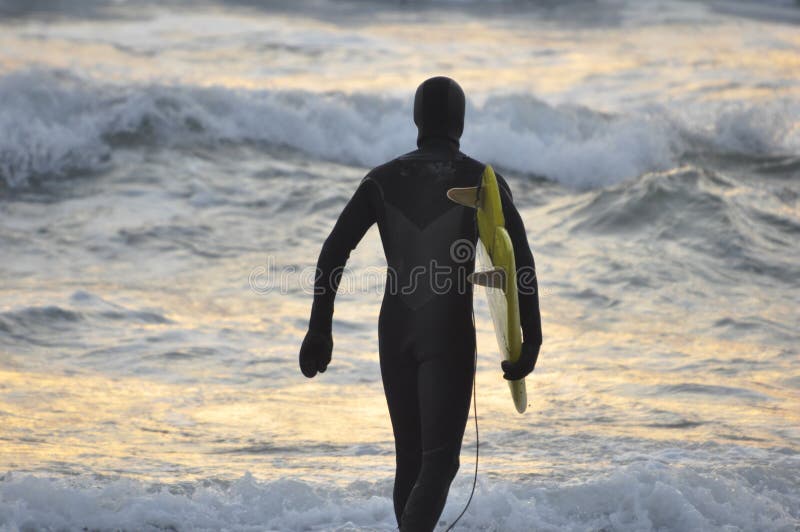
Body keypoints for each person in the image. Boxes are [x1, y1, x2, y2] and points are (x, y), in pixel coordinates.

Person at [298, 76, 542, 531]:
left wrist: (319, 328)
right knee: (439, 465)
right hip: (447, 331)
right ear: (461, 123)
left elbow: (334, 250)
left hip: (395, 329)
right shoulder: (481, 179)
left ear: (417, 120)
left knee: (410, 462)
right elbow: (518, 261)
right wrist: (532, 339)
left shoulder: (382, 179)